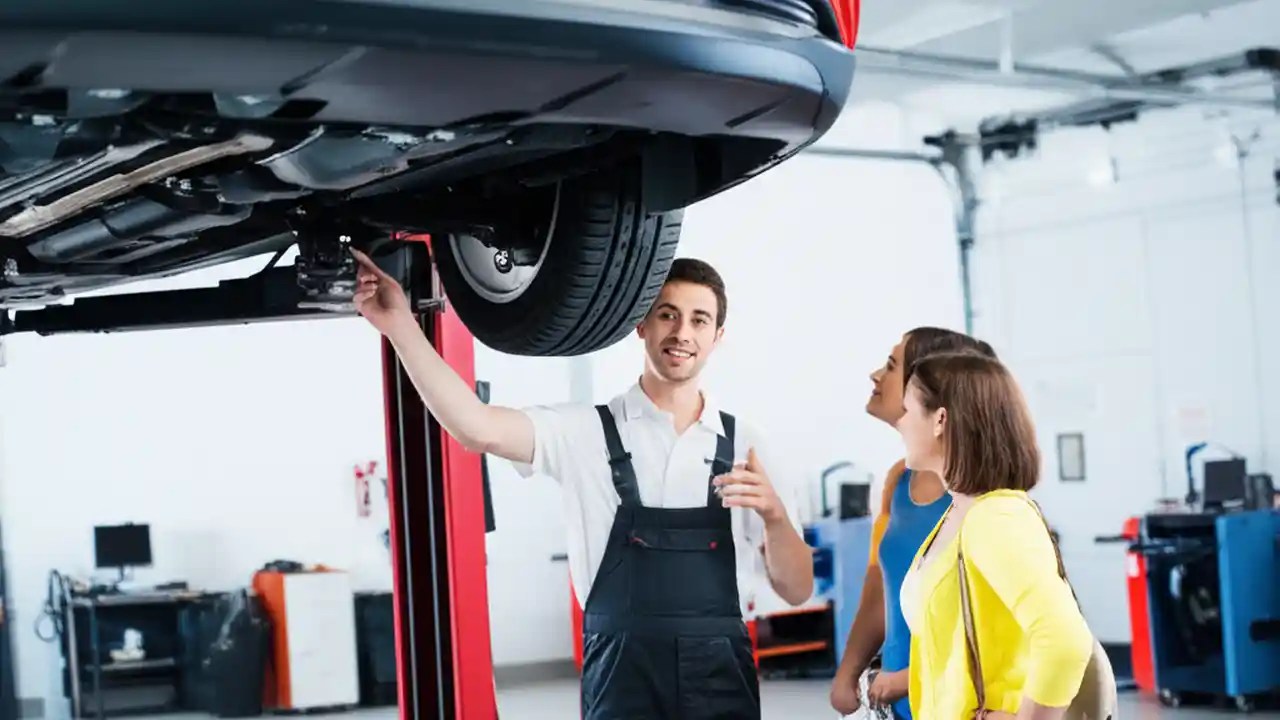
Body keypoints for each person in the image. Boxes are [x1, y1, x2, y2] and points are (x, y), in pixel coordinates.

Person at [350, 249, 813, 719]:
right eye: (667, 315)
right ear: (641, 325)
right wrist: (401, 328)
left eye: (699, 320)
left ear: (717, 337)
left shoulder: (748, 445)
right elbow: (477, 427)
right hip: (622, 680)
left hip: (721, 680)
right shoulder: (585, 433)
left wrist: (775, 516)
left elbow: (797, 590)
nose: (682, 333)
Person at [895, 352, 1093, 720]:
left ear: (940, 420)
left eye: (907, 411)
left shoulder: (995, 517)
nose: (900, 423)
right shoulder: (960, 512)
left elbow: (1065, 641)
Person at [830, 328, 996, 719]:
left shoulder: (985, 495)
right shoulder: (898, 480)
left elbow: (997, 628)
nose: (875, 375)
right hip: (900, 704)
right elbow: (880, 585)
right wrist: (849, 671)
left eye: (891, 366)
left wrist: (909, 677)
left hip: (962, 702)